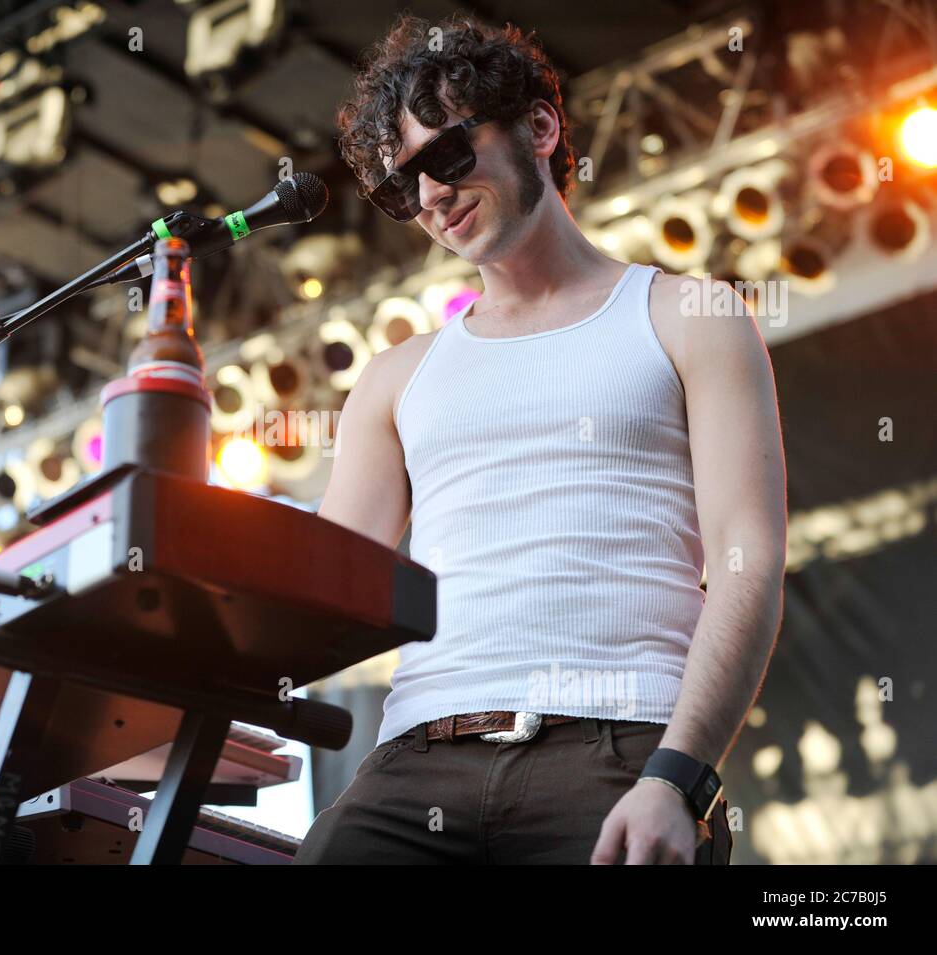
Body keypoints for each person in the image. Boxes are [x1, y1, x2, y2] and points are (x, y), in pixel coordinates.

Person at [294, 13, 787, 864]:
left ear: (541, 127)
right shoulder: (394, 376)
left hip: (620, 749)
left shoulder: (690, 314)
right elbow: (318, 599)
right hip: (414, 763)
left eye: (448, 156)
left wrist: (679, 777)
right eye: (403, 184)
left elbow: (752, 559)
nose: (430, 196)